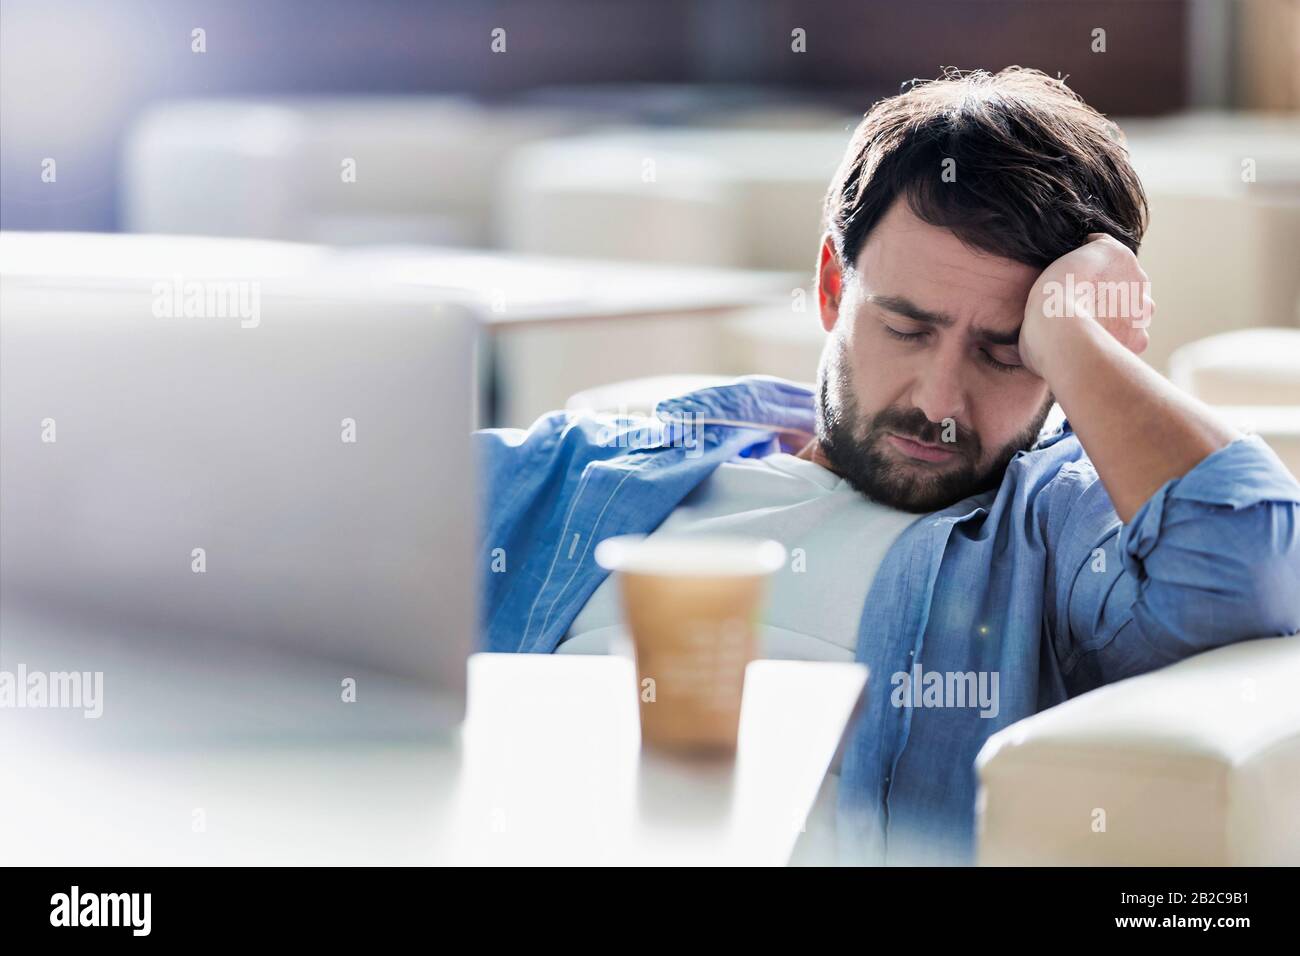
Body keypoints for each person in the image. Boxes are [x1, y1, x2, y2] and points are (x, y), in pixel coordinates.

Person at [474, 68, 1300, 863]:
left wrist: (1076, 336)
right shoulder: (597, 468)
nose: (940, 401)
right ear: (833, 288)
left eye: (1004, 353)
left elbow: (1253, 572)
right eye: (906, 329)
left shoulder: (1053, 533)